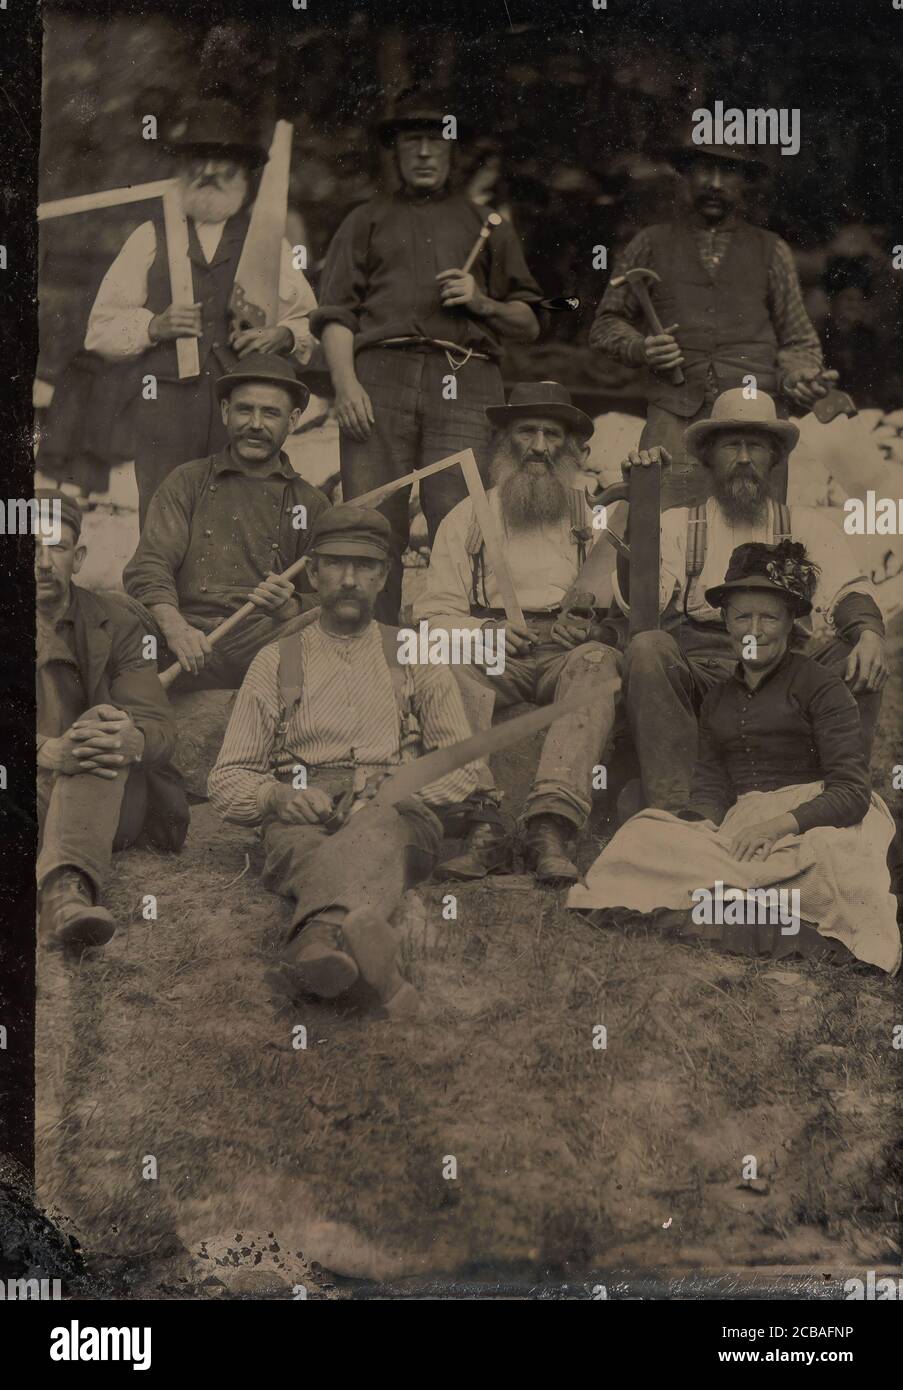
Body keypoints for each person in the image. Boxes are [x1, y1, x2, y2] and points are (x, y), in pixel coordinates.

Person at [569, 541, 901, 975]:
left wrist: (779, 824)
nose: (755, 630)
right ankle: (731, 891)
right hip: (743, 824)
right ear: (725, 621)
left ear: (790, 624)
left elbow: (852, 792)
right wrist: (697, 825)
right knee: (643, 834)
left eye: (770, 617)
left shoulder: (820, 685)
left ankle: (783, 915)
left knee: (835, 861)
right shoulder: (719, 699)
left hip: (817, 821)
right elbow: (711, 785)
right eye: (743, 616)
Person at [208, 504, 483, 1016]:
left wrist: (399, 789)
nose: (350, 580)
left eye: (364, 567)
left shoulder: (415, 653)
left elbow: (464, 764)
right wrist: (276, 796)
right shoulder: (276, 660)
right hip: (307, 807)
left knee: (377, 829)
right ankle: (358, 956)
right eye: (335, 565)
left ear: (383, 575)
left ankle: (311, 944)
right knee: (301, 843)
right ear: (313, 573)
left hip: (397, 807)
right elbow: (226, 778)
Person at [311, 88, 543, 620]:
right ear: (393, 151)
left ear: (452, 152)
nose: (422, 152)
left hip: (466, 379)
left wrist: (479, 299)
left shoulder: (489, 226)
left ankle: (456, 649)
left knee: (462, 521)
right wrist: (346, 385)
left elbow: (529, 322)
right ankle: (373, 648)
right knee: (370, 522)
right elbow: (335, 315)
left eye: (436, 141)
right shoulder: (363, 221)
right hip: (378, 380)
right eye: (410, 141)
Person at [612, 389, 887, 814]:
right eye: (730, 445)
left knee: (859, 652)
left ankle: (836, 798)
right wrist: (640, 512)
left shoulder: (806, 524)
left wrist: (868, 633)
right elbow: (641, 602)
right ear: (707, 456)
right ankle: (680, 812)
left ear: (774, 457)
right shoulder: (677, 524)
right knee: (649, 647)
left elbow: (848, 588)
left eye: (755, 445)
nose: (743, 458)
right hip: (703, 673)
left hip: (783, 675)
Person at [413, 381, 622, 885]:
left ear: (571, 449)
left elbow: (625, 605)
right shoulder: (468, 516)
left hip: (564, 656)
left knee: (598, 667)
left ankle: (548, 829)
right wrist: (482, 633)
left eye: (553, 434)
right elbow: (430, 615)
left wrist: (593, 627)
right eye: (527, 431)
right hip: (493, 652)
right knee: (442, 665)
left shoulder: (596, 517)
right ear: (504, 441)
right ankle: (486, 827)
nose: (540, 447)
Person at [85, 100, 318, 526]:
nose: (210, 170)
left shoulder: (266, 243)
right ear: (183, 169)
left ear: (243, 174)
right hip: (167, 402)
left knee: (237, 510)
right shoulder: (149, 236)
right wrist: (154, 325)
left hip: (242, 403)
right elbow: (99, 330)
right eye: (199, 159)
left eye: (224, 161)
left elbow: (306, 323)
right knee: (164, 511)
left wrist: (281, 337)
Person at [590, 134, 830, 509]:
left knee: (756, 542)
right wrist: (642, 348)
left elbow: (799, 342)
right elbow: (606, 323)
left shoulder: (772, 250)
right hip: (674, 417)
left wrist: (798, 376)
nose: (715, 184)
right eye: (704, 169)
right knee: (658, 524)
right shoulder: (649, 243)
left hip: (754, 420)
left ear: (745, 182)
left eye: (728, 172)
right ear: (684, 175)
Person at [123, 355, 329, 690]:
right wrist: (175, 628)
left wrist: (291, 607)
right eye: (244, 410)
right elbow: (150, 564)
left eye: (271, 413)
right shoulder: (186, 482)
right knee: (112, 611)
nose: (256, 424)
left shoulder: (311, 503)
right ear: (224, 412)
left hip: (265, 642)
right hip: (184, 638)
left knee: (328, 629)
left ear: (292, 421)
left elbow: (330, 595)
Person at [36, 490, 185, 951]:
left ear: (77, 558)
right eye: (28, 549)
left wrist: (130, 740)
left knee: (102, 726)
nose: (43, 562)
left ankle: (66, 894)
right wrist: (44, 749)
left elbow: (159, 726)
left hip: (101, 797)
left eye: (57, 548)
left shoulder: (119, 623)